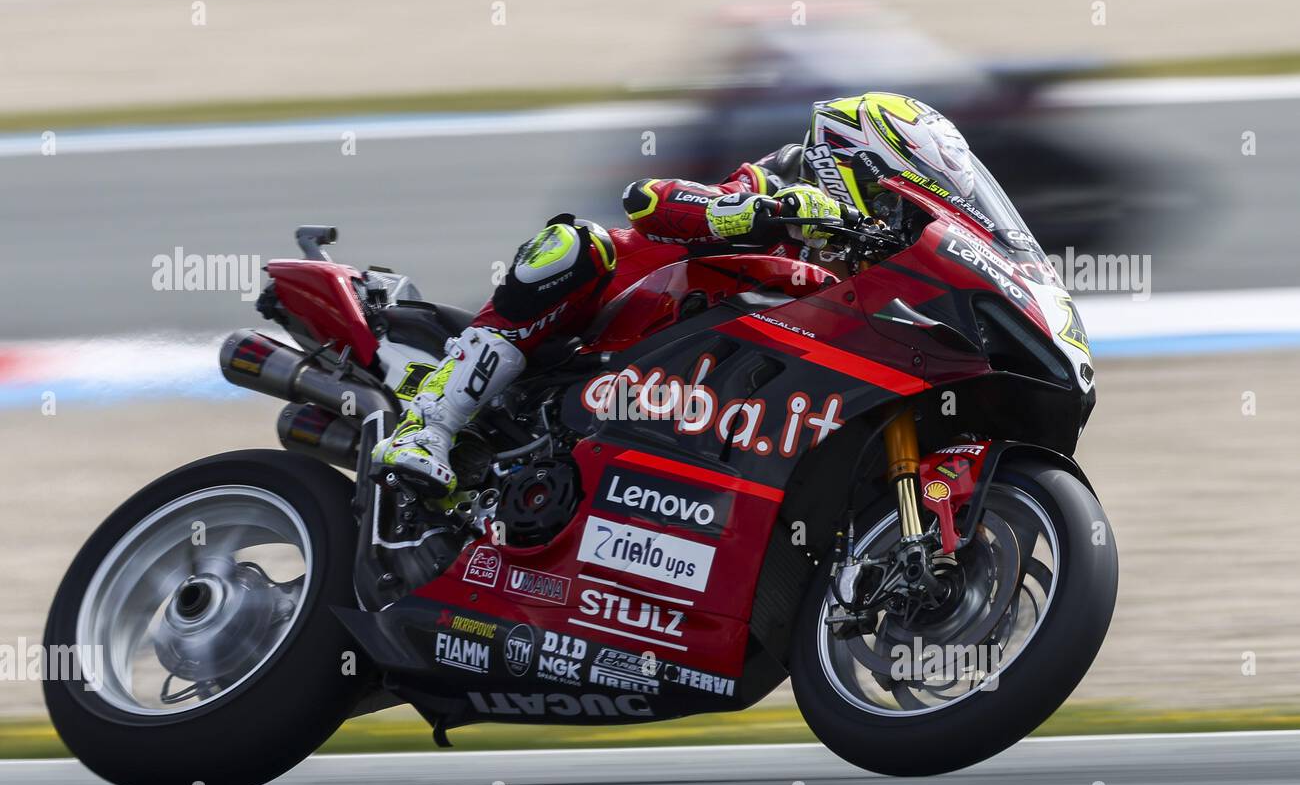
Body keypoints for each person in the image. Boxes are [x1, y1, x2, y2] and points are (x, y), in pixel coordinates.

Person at [372, 91, 975, 491]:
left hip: (700, 403)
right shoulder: (780, 183)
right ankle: (429, 423)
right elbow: (648, 201)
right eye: (897, 201)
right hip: (611, 328)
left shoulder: (868, 276)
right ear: (856, 168)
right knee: (572, 245)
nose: (902, 219)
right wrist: (762, 212)